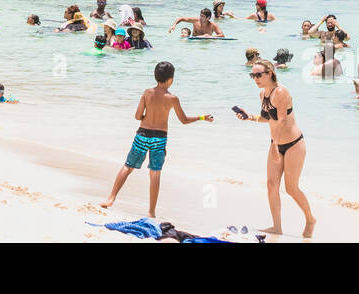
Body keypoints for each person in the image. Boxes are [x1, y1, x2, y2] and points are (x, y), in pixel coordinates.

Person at [100, 61, 212, 217]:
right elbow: (184, 120)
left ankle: (111, 198)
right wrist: (202, 117)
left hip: (143, 134)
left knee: (128, 166)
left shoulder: (147, 93)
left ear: (155, 76)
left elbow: (137, 116)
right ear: (171, 79)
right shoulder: (172, 98)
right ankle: (151, 212)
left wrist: (147, 117)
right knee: (155, 173)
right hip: (159, 139)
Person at [235, 57, 315, 238]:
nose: (255, 78)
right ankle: (277, 227)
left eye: (258, 75)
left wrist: (275, 144)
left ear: (269, 74)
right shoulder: (263, 95)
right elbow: (267, 118)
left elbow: (282, 120)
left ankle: (310, 219)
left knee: (291, 188)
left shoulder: (281, 91)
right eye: (252, 75)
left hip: (294, 144)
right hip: (276, 143)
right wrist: (250, 117)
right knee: (272, 186)